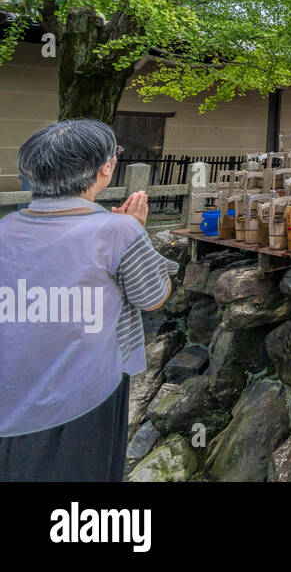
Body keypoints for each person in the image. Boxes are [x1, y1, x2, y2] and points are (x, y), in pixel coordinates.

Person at [0, 120, 178, 481]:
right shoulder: (119, 230)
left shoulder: (7, 228)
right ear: (105, 168)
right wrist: (138, 232)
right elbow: (153, 297)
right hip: (87, 392)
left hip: (12, 387)